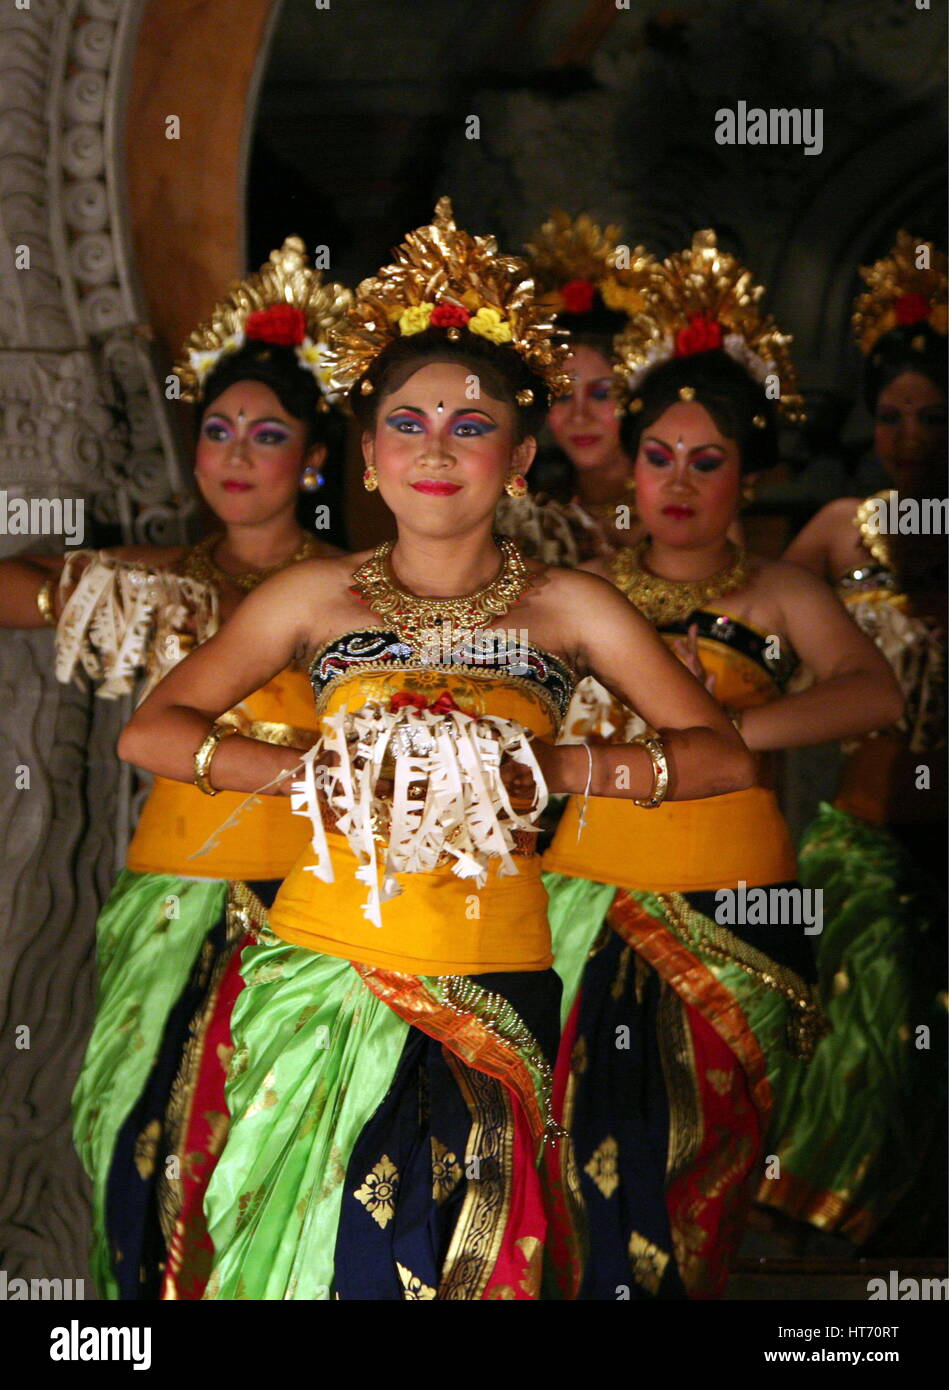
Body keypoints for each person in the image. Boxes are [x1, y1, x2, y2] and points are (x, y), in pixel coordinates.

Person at [117, 198, 755, 1301]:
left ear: (516, 459)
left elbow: (720, 755)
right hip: (318, 972)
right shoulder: (313, 597)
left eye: (470, 427)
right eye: (406, 423)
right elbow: (154, 729)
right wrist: (306, 771)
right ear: (365, 456)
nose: (435, 450)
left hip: (489, 982)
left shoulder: (570, 610)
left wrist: (563, 770)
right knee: (294, 1262)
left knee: (463, 1263)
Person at [539, 230, 905, 1298]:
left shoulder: (777, 592)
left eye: (709, 461)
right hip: (581, 892)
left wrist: (723, 740)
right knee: (574, 1137)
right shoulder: (582, 585)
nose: (678, 482)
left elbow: (870, 694)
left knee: (693, 1145)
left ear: (750, 473)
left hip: (728, 894)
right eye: (657, 456)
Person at [0, 237, 351, 1298]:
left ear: (318, 460)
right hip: (166, 904)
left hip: (305, 916)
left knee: (268, 1163)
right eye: (217, 431)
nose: (236, 455)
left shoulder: (355, 598)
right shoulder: (156, 585)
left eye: (270, 435)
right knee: (133, 1137)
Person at [764, 233, 947, 1249]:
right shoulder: (839, 527)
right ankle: (827, 1211)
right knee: (871, 1010)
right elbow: (751, 631)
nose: (907, 435)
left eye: (931, 415)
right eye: (889, 415)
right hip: (863, 822)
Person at [493, 212, 652, 566]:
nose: (580, 416)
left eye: (600, 394)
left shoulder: (676, 506)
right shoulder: (530, 512)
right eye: (564, 395)